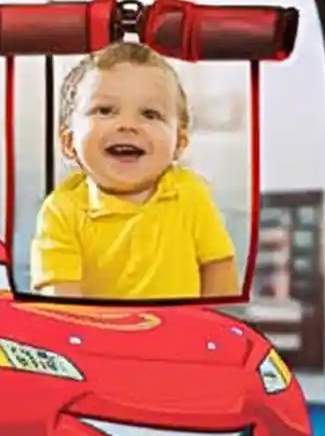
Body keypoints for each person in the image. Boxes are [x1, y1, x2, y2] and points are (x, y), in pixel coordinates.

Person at [30, 41, 240, 300]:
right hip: (97, 337)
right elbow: (60, 296)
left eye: (150, 114)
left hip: (182, 337)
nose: (127, 125)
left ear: (180, 143)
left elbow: (219, 269)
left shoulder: (190, 194)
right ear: (68, 142)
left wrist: (215, 327)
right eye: (105, 111)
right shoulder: (62, 211)